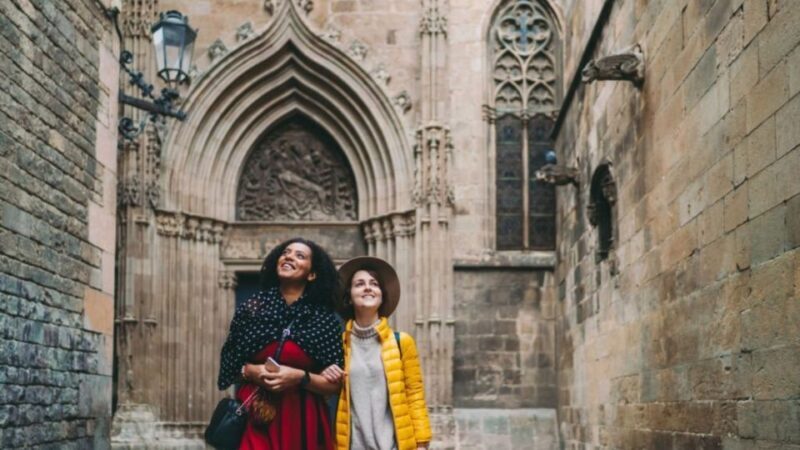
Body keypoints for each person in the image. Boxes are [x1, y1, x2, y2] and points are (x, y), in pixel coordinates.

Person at [217, 238, 344, 450]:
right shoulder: (251, 309)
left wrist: (299, 377)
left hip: (303, 420)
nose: (289, 257)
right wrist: (250, 371)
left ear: (312, 274)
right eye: (286, 252)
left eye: (299, 255)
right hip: (255, 414)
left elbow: (336, 384)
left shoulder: (324, 320)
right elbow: (228, 367)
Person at [321, 257, 432, 450]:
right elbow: (325, 396)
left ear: (382, 296)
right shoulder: (338, 344)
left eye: (374, 284)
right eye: (359, 284)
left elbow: (414, 394)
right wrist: (325, 376)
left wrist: (422, 444)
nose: (368, 288)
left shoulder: (401, 342)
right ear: (349, 296)